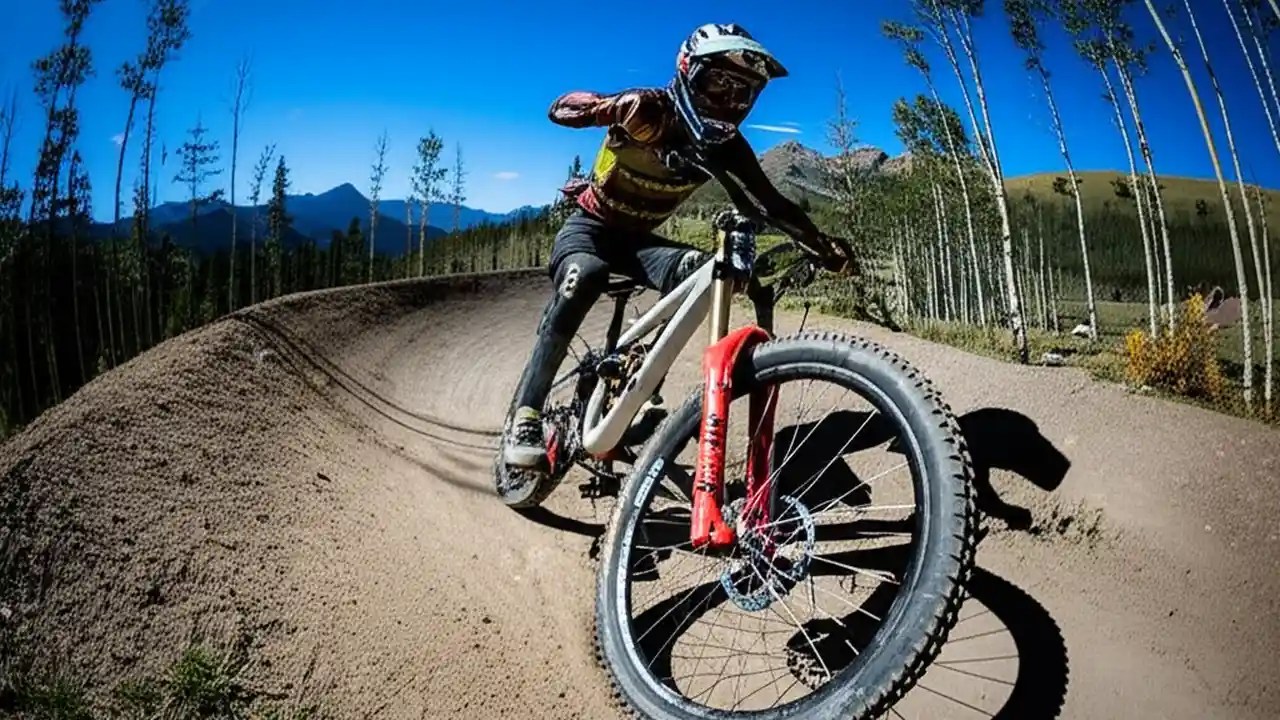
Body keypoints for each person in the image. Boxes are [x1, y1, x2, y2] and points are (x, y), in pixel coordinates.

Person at [503, 22, 854, 470]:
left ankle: (640, 381)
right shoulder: (650, 108)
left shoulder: (728, 147)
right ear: (688, 72)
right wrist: (606, 109)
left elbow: (772, 204)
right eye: (718, 84)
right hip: (589, 227)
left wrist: (823, 248)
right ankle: (526, 412)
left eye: (743, 93)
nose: (729, 101)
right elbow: (560, 109)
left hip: (640, 244)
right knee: (585, 275)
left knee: (710, 275)